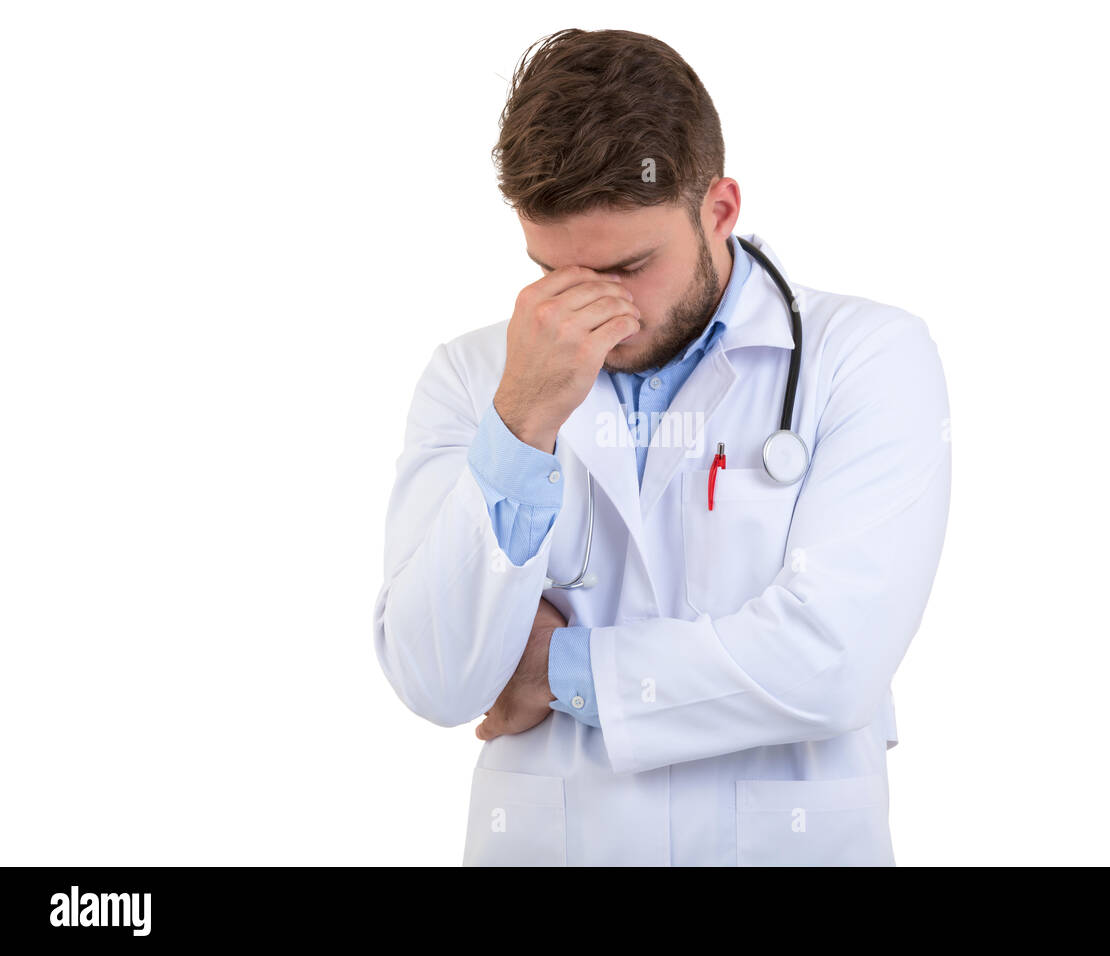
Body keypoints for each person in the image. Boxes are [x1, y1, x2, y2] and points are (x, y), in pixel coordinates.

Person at [371, 28, 952, 866]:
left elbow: (831, 661)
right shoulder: (474, 381)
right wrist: (520, 425)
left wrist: (552, 667)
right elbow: (435, 679)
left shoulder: (868, 356)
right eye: (551, 272)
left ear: (719, 209)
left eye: (628, 267)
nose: (589, 312)